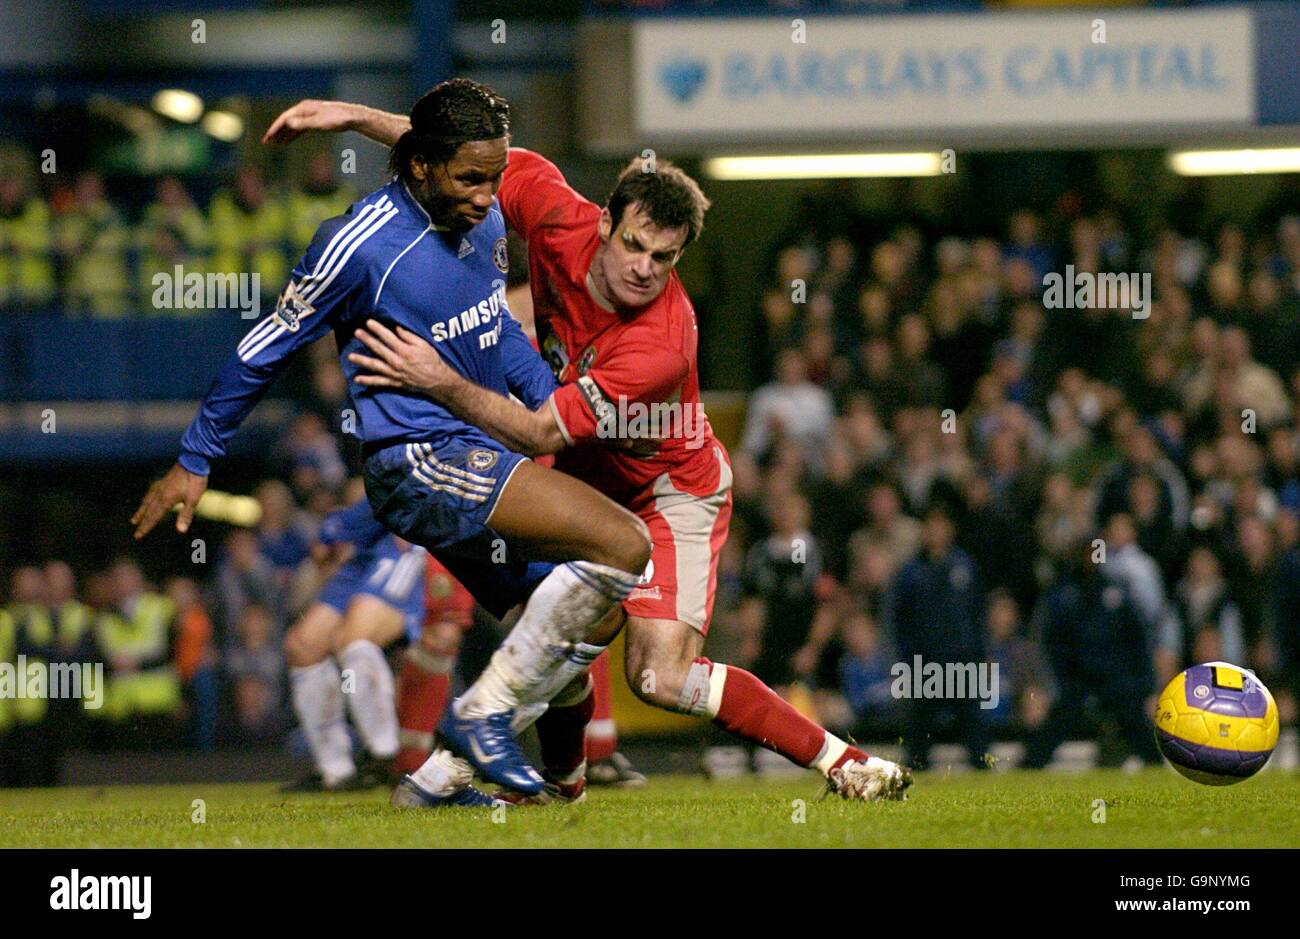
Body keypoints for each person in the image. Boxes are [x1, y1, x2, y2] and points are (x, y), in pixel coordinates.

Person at [263, 94, 911, 802]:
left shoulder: (662, 344)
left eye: (664, 259)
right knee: (550, 622)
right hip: (589, 476)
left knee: (658, 677)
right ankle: (561, 783)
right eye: (634, 244)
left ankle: (842, 760)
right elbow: (451, 152)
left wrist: (438, 379)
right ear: (604, 221)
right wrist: (350, 116)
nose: (643, 267)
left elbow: (540, 428)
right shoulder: (546, 201)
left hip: (669, 491)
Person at [133, 78, 652, 806]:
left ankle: (526, 790)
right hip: (417, 461)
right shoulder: (359, 245)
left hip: (480, 452)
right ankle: (475, 728)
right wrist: (195, 458)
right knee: (623, 544)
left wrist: (553, 402)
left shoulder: (485, 218)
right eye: (470, 177)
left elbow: (495, 328)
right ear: (420, 166)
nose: (486, 193)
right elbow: (265, 347)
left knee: (575, 632)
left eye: (495, 176)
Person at [281, 494, 429, 791]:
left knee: (353, 639)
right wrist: (336, 530)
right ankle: (336, 770)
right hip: (367, 546)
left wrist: (336, 528)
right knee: (302, 645)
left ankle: (388, 757)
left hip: (406, 538)